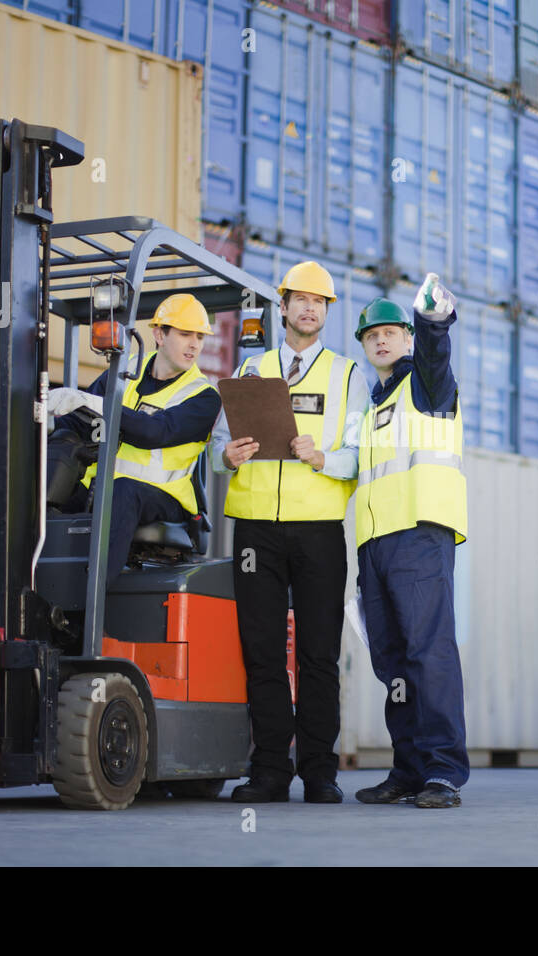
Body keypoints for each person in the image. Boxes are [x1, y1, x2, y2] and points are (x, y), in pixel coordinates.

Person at [209, 261, 368, 804]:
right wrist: (226, 456)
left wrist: (323, 457)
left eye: (318, 302)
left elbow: (358, 456)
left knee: (319, 655)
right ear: (281, 308)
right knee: (263, 652)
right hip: (257, 530)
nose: (308, 308)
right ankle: (270, 769)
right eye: (299, 299)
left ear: (326, 312)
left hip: (319, 531)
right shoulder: (251, 371)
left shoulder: (348, 376)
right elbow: (215, 446)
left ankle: (320, 771)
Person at [353, 275, 468, 809]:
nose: (381, 341)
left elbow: (436, 356)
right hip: (376, 545)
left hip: (421, 534)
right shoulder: (373, 408)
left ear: (405, 338)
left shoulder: (425, 383)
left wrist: (431, 322)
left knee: (430, 653)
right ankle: (409, 768)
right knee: (393, 662)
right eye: (371, 335)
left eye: (391, 332)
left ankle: (443, 771)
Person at [47, 293, 220, 587]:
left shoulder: (204, 397)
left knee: (123, 491)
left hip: (165, 499)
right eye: (185, 334)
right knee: (47, 482)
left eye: (200, 337)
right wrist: (45, 425)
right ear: (159, 335)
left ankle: (94, 601)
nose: (194, 344)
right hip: (102, 489)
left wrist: (99, 405)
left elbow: (156, 431)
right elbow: (77, 421)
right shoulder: (123, 374)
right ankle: (34, 584)